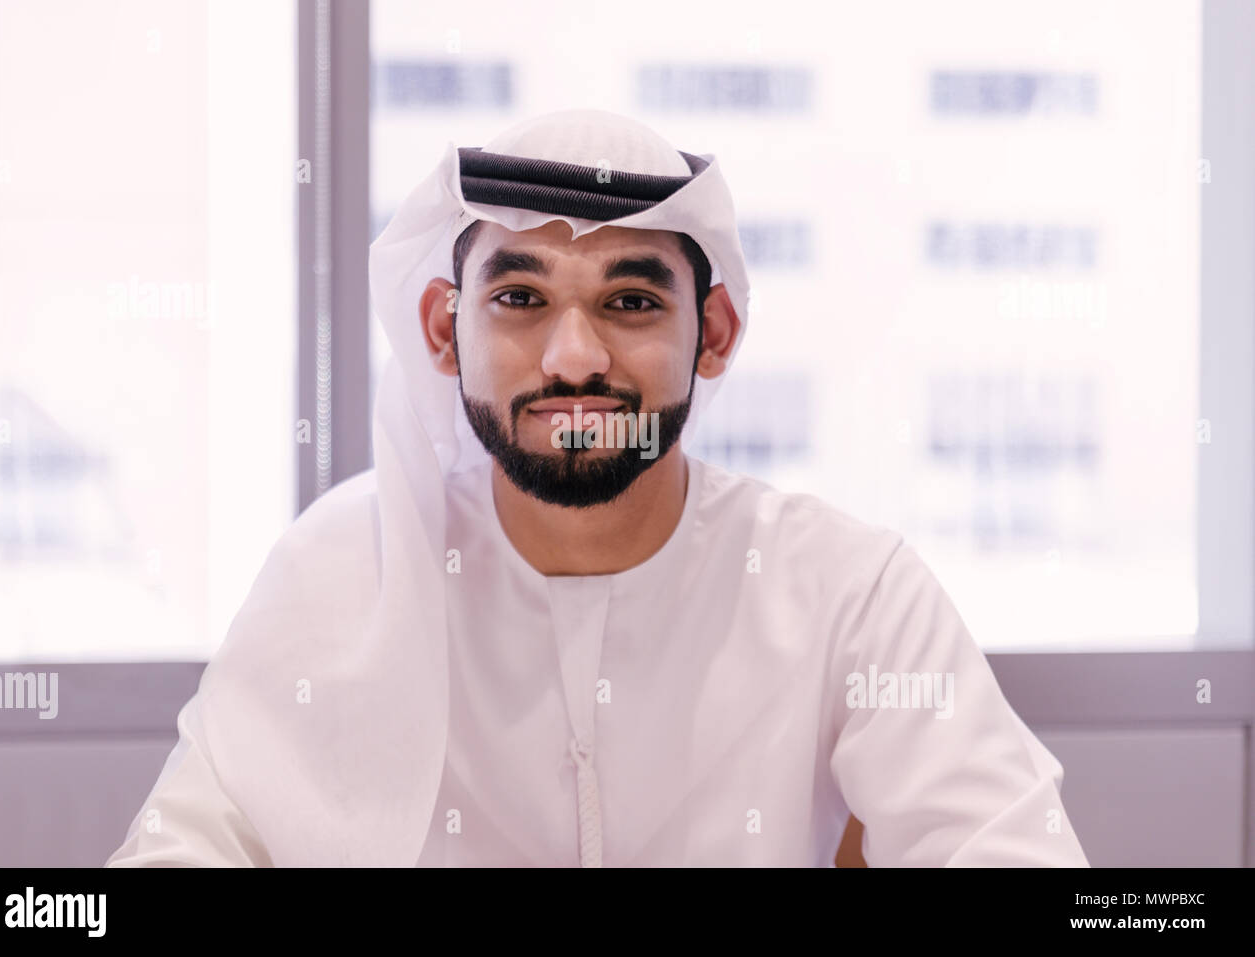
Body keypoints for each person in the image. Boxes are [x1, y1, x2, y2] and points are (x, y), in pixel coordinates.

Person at [107, 108, 1089, 867]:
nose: (573, 358)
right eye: (521, 298)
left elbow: (1007, 848)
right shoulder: (339, 573)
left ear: (712, 335)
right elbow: (187, 843)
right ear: (446, 332)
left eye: (628, 300)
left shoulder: (845, 591)